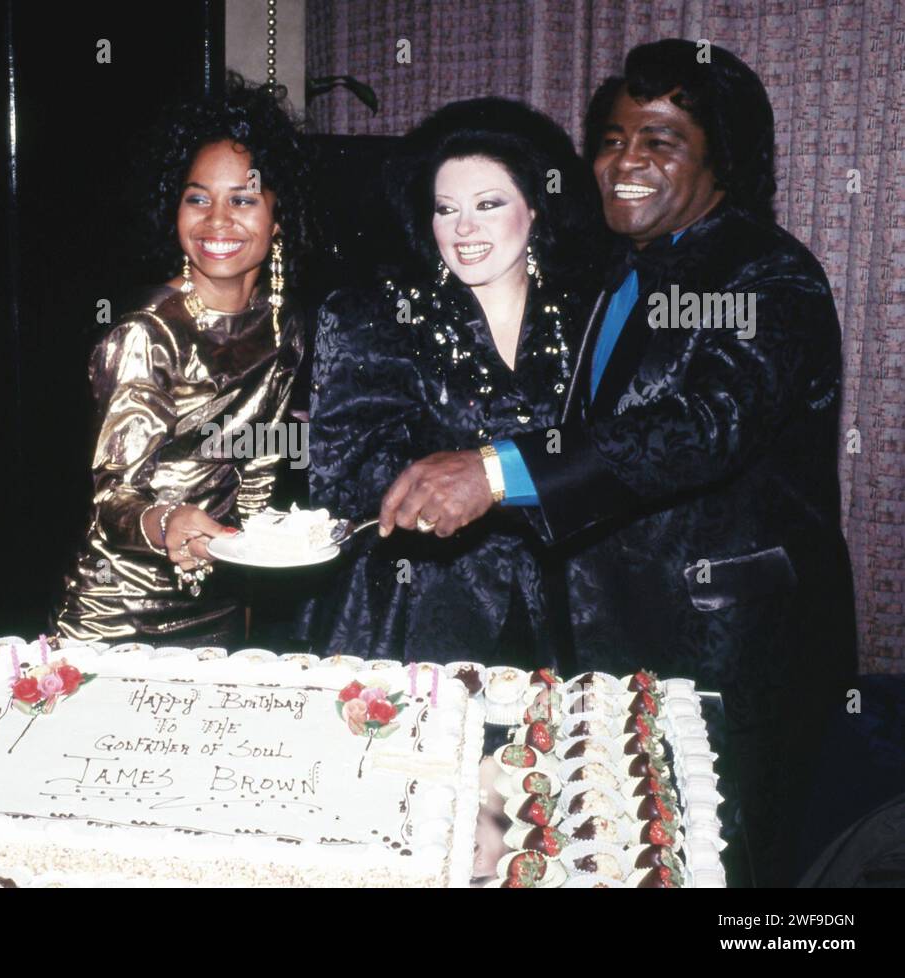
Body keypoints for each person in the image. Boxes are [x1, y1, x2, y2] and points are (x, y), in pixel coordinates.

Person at [378, 40, 856, 886]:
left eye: (660, 140)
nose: (623, 161)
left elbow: (702, 427)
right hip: (618, 641)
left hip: (733, 659)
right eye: (610, 138)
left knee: (727, 865)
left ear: (724, 159)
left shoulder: (768, 275)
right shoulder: (618, 267)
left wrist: (492, 471)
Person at [301, 98, 601, 665]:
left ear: (535, 208)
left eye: (489, 204)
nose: (464, 227)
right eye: (446, 209)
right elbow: (340, 484)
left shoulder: (590, 310)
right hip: (421, 610)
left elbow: (618, 453)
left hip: (567, 607)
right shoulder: (375, 317)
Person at [54, 77, 312, 646]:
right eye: (198, 198)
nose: (217, 221)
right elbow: (113, 496)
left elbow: (259, 462)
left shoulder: (283, 325)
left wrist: (249, 563)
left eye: (242, 199)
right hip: (119, 613)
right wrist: (167, 522)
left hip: (217, 599)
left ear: (277, 216)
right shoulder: (149, 335)